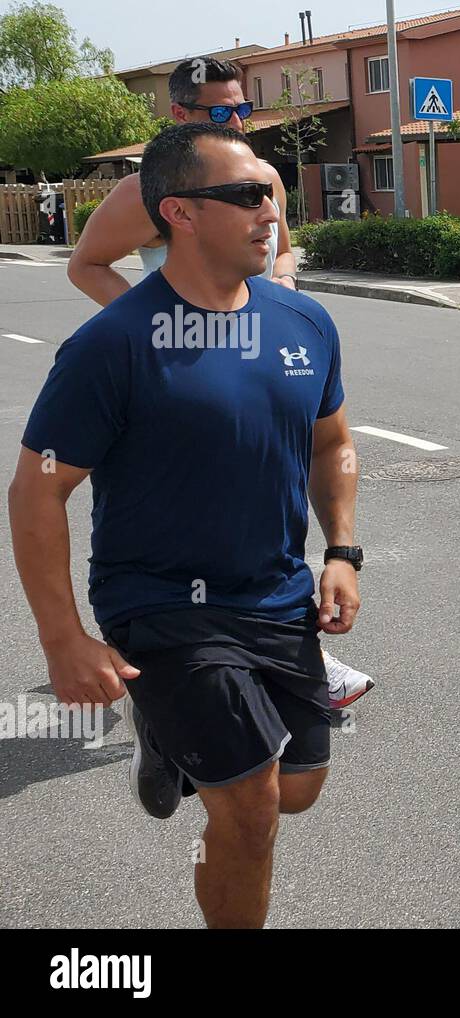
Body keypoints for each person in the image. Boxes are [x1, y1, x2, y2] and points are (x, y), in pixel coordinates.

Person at [10, 122, 362, 927]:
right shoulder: (114, 344)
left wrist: (341, 549)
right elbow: (36, 492)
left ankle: (171, 741)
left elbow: (333, 443)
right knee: (252, 813)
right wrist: (64, 640)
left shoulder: (302, 324)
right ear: (179, 212)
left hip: (275, 596)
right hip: (163, 604)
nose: (268, 210)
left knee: (298, 788)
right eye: (243, 196)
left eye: (270, 192)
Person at [67, 55, 373, 711]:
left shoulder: (261, 178)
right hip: (186, 373)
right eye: (220, 112)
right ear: (178, 115)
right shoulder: (145, 192)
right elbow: (86, 264)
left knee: (273, 495)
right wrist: (154, 323)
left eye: (243, 109)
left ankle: (289, 644)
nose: (237, 121)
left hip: (263, 361)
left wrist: (283, 284)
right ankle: (184, 647)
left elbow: (285, 248)